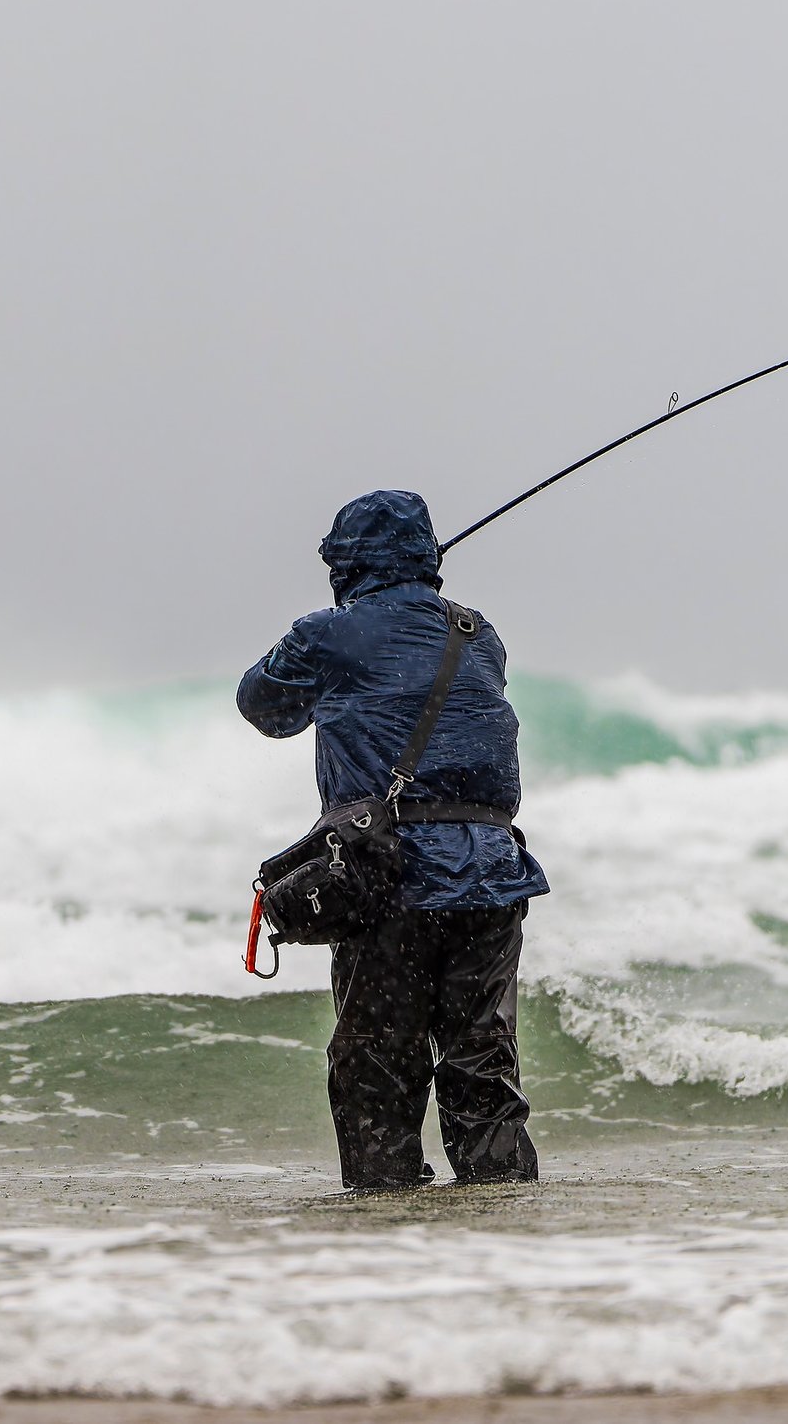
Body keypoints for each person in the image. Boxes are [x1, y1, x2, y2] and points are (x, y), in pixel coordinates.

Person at [237, 490, 548, 1190]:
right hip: (495, 875)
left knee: (376, 1066)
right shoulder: (478, 633)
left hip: (391, 876)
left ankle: (388, 1228)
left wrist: (314, 637)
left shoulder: (329, 634)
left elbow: (263, 706)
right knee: (482, 1060)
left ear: (347, 564)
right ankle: (503, 1216)